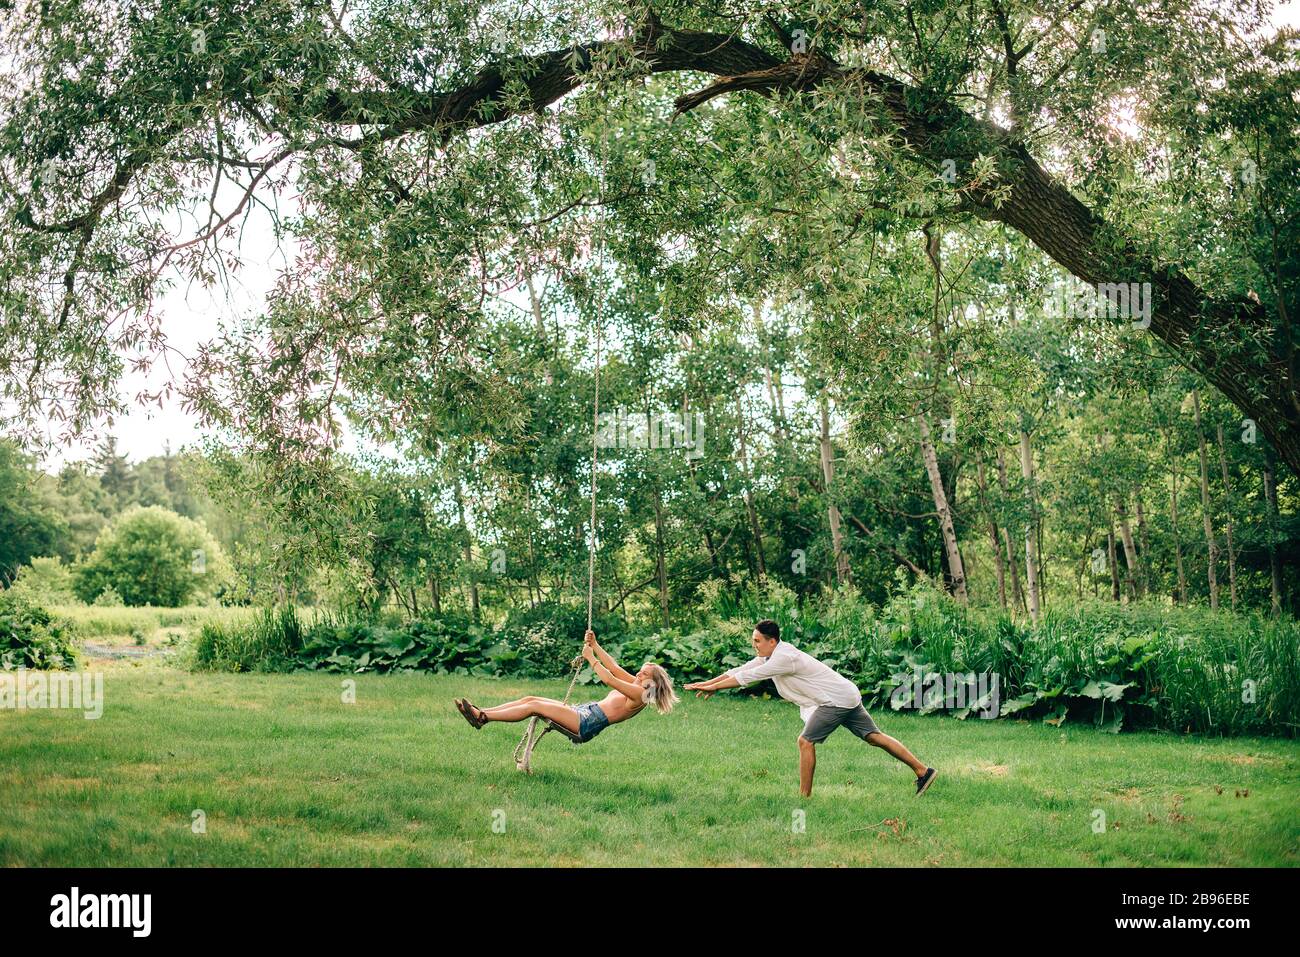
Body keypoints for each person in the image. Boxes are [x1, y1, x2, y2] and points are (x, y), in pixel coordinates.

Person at [686, 619, 937, 797]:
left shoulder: (784, 658)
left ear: (772, 641)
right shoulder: (771, 654)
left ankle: (804, 797)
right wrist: (707, 683)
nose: (755, 646)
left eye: (757, 641)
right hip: (845, 694)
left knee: (805, 741)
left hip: (834, 700)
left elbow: (750, 677)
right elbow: (741, 670)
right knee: (874, 737)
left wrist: (714, 688)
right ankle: (923, 771)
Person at [455, 629, 678, 743]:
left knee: (534, 706)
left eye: (644, 673)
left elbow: (609, 678)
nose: (638, 674)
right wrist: (595, 644)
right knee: (530, 699)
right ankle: (481, 713)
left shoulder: (640, 694)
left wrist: (591, 658)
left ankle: (483, 717)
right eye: (640, 671)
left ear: (653, 682)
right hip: (585, 711)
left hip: (586, 722)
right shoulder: (639, 686)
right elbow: (614, 667)